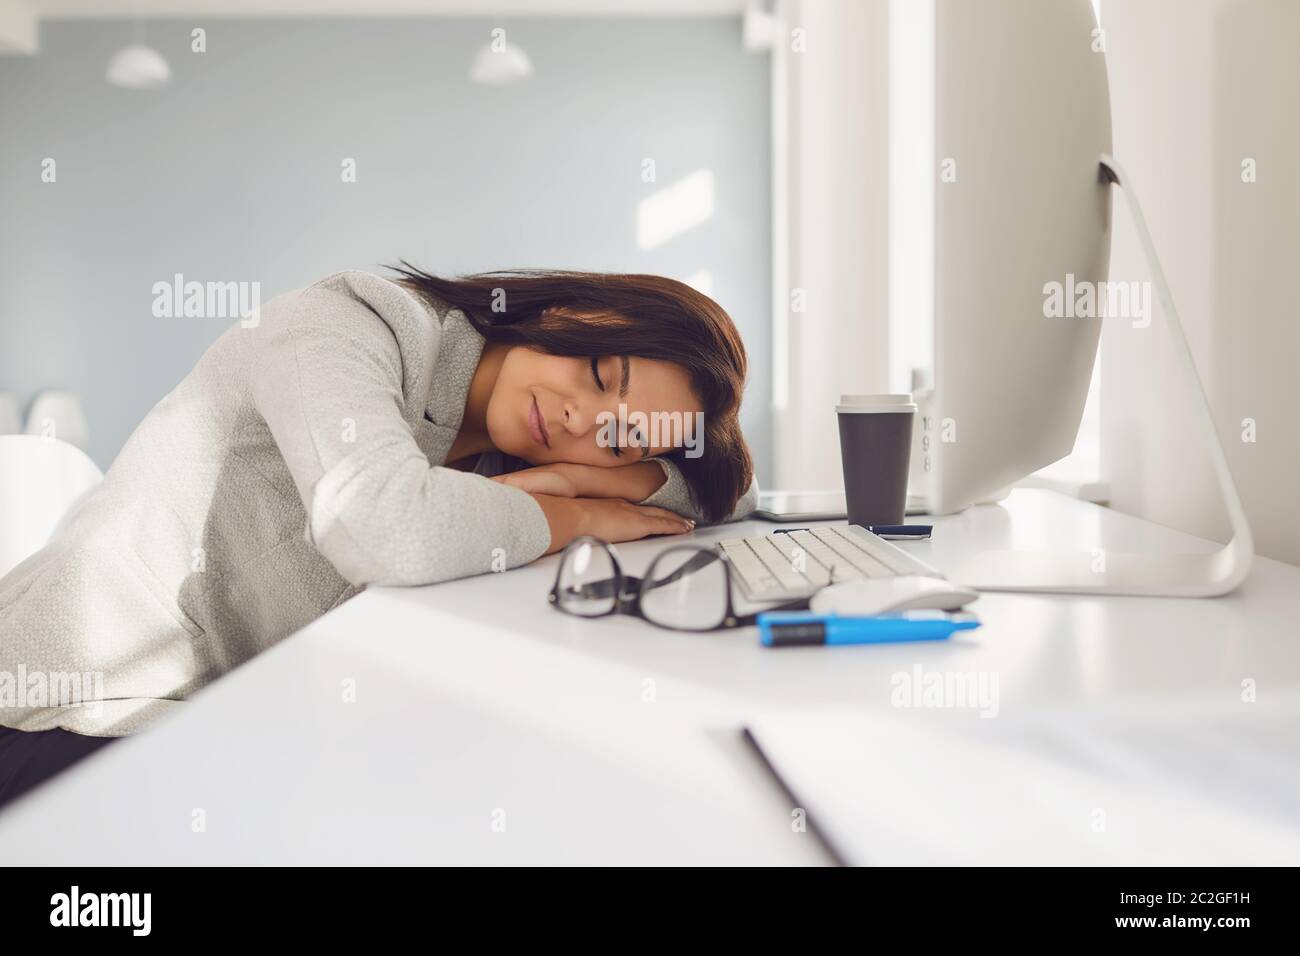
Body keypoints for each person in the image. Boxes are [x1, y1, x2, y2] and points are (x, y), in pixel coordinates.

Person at [0, 266, 757, 809]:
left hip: (212, 713)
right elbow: (381, 527)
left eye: (620, 438)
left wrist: (589, 479)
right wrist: (580, 514)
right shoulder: (347, 323)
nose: (577, 422)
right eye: (599, 375)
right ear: (564, 311)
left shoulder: (503, 454)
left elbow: (725, 492)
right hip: (68, 713)